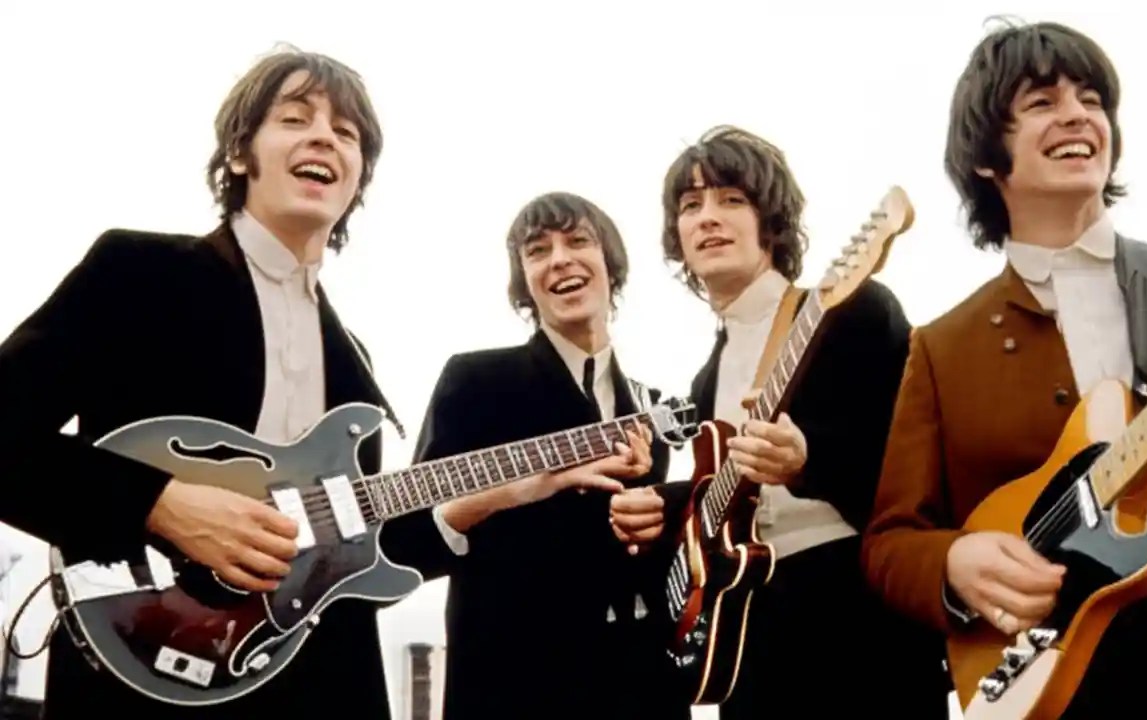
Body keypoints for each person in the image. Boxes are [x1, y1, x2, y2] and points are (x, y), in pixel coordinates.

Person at [0, 46, 440, 719]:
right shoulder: (136, 273)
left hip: (318, 685)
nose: (325, 135)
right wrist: (155, 502)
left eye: (346, 133)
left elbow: (350, 560)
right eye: (295, 118)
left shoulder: (358, 369)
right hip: (143, 676)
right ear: (240, 154)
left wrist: (496, 499)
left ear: (356, 180)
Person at [860, 19, 1147, 716]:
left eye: (1091, 98)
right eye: (1041, 103)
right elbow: (890, 541)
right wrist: (955, 565)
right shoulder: (942, 348)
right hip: (1085, 665)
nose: (1078, 114)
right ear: (988, 159)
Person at [610, 125, 949, 718]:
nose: (708, 217)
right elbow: (724, 502)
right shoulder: (705, 379)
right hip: (751, 636)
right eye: (691, 206)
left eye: (731, 199)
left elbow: (920, 473)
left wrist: (809, 462)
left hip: (858, 628)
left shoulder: (854, 311)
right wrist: (663, 510)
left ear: (771, 222)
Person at [410, 191, 692, 720]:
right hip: (515, 688)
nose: (560, 258)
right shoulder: (475, 380)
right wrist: (507, 493)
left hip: (641, 687)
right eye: (537, 250)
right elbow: (409, 539)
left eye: (578, 240)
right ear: (524, 283)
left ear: (611, 265)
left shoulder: (653, 408)